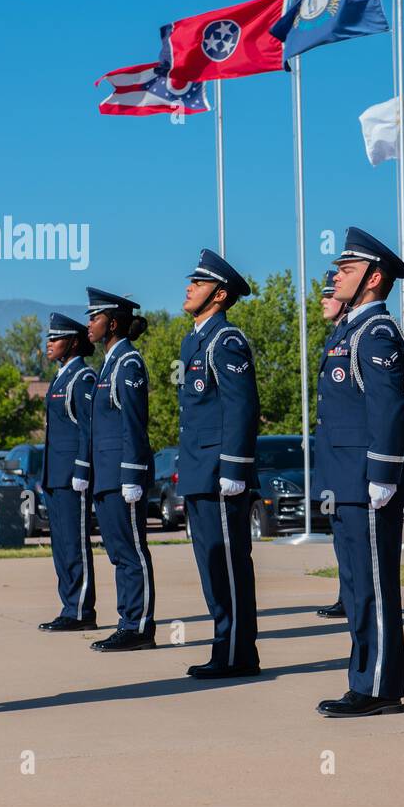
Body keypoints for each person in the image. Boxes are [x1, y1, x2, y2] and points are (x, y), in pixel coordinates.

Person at [312, 227, 404, 717]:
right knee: (356, 587)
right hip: (346, 481)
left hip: (367, 481)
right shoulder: (348, 330)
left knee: (373, 587)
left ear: (374, 278)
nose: (336, 276)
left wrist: (382, 474)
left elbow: (389, 408)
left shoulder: (376, 332)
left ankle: (378, 687)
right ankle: (364, 680)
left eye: (347, 269)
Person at [178, 249, 261, 679]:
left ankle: (236, 654)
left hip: (218, 473)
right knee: (212, 566)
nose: (189, 287)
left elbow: (242, 408)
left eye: (199, 282)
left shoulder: (226, 341)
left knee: (228, 566)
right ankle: (226, 648)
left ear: (220, 294)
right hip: (198, 471)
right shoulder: (193, 341)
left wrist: (233, 469)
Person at [83, 287, 157, 652]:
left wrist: (132, 475)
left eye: (94, 317)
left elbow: (133, 424)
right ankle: (127, 621)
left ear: (112, 323)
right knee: (118, 553)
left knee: (131, 551)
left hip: (121, 476)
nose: (89, 324)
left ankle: (138, 626)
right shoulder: (109, 364)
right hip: (106, 476)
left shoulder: (128, 363)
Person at [37, 313, 99, 633]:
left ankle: (81, 610)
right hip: (55, 475)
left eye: (56, 338)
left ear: (73, 343)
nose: (49, 343)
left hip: (72, 475)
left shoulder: (83, 378)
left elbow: (88, 429)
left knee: (75, 544)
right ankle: (69, 606)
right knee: (61, 545)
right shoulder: (61, 377)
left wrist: (82, 468)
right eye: (49, 338)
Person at [315, 269, 350, 621]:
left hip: (350, 459)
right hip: (334, 459)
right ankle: (347, 594)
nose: (324, 300)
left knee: (353, 537)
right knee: (339, 533)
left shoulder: (360, 335)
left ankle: (353, 595)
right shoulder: (337, 337)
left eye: (330, 294)